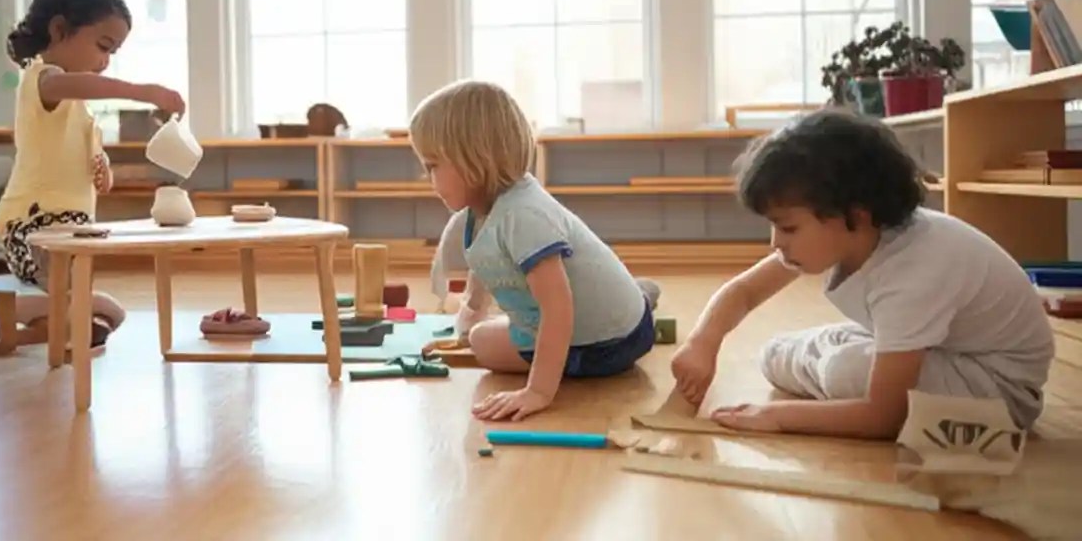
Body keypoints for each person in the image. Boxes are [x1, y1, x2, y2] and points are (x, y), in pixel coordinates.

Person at [671, 109, 1054, 438]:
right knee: (775, 354)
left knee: (842, 369)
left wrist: (777, 416)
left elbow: (884, 415)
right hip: (942, 350)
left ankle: (835, 384)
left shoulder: (913, 270)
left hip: (998, 389)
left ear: (856, 214)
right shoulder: (853, 234)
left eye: (787, 228)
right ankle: (836, 378)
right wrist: (702, 343)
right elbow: (745, 292)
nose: (775, 243)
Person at [0, 0, 186, 368]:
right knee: (72, 307)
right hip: (34, 222)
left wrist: (102, 168)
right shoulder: (43, 79)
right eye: (103, 46)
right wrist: (144, 92)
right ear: (59, 30)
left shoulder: (78, 104)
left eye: (113, 53)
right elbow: (82, 86)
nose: (105, 63)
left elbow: (81, 148)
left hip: (71, 226)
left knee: (108, 314)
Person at [414, 79, 659, 422]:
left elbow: (557, 306)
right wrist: (467, 318)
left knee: (484, 342)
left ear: (473, 159)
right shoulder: (482, 210)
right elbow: (484, 265)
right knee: (478, 336)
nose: (427, 177)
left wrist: (539, 391)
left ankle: (636, 302)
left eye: (432, 165)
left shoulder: (523, 214)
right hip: (590, 331)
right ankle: (632, 296)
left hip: (606, 345)